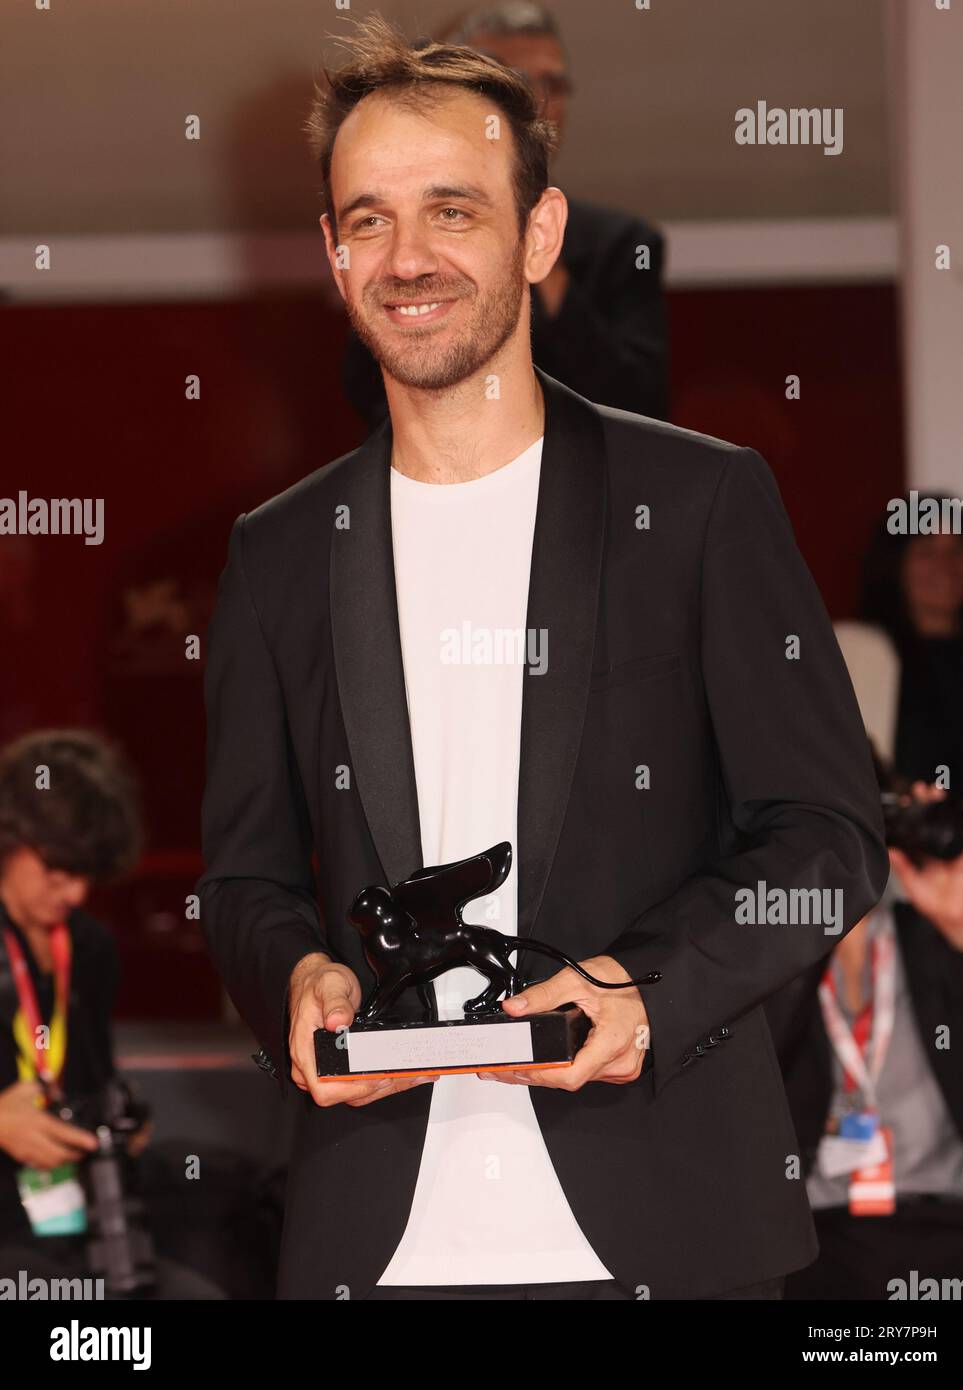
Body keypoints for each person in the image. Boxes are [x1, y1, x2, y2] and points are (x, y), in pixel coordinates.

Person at [197, 14, 888, 1301]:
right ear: (334, 260)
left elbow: (830, 834)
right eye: (368, 219)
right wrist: (295, 972)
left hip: (675, 1232)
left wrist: (648, 983)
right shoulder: (277, 554)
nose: (409, 257)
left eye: (452, 210)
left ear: (542, 232)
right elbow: (241, 877)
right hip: (377, 1240)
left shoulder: (698, 503)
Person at [340, 2, 669, 431]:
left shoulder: (624, 244)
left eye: (552, 83)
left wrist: (534, 251)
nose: (540, 103)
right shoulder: (401, 242)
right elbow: (371, 393)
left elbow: (638, 404)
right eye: (514, 83)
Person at [0, 730, 223, 1299]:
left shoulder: (90, 945)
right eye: (57, 870)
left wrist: (119, 1118)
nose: (74, 893)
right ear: (10, 839)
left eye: (87, 875)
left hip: (79, 1209)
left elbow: (93, 1074)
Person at [766, 781, 963, 1300]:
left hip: (956, 1218)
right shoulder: (766, 940)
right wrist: (811, 925)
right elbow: (748, 1071)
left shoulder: (938, 926)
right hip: (821, 1236)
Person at [859, 507, 963, 806]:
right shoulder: (861, 655)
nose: (946, 565)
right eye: (927, 551)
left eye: (957, 550)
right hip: (901, 841)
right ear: (896, 563)